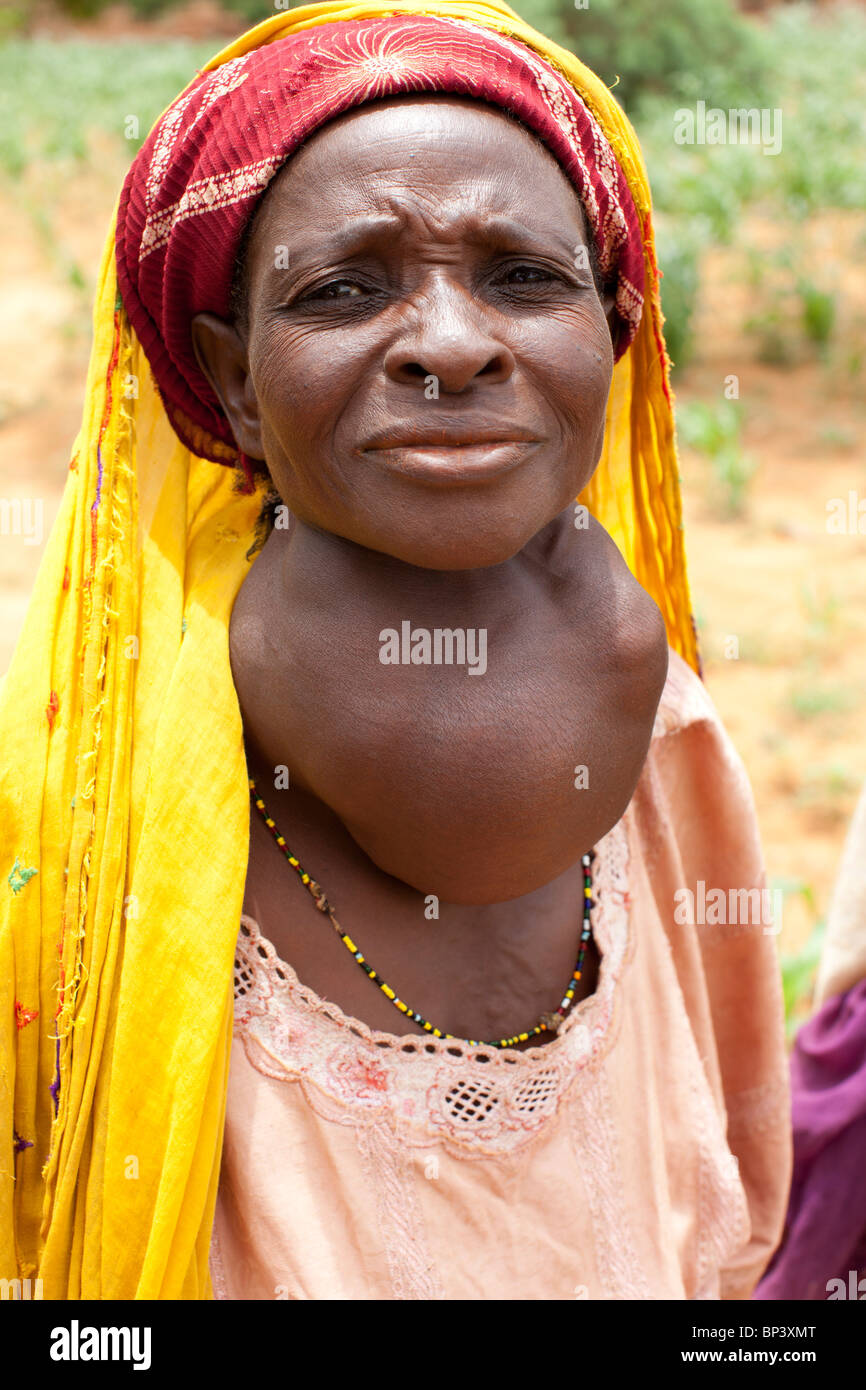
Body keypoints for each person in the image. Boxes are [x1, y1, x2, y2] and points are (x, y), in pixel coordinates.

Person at [0, 0, 791, 1300]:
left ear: (614, 326)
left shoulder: (661, 730)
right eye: (344, 289)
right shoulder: (79, 826)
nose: (450, 343)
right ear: (235, 378)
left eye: (525, 277)